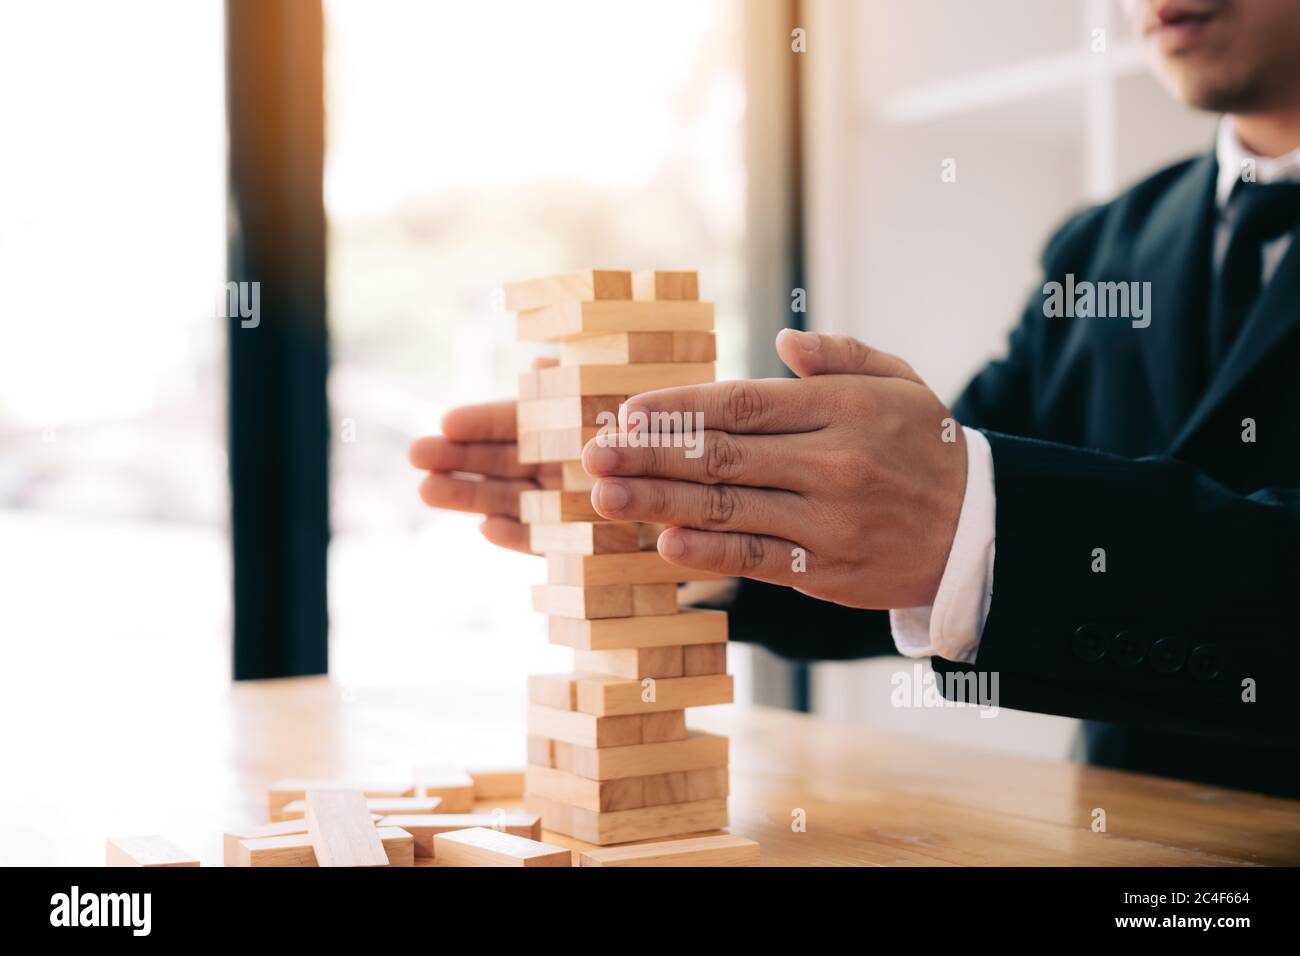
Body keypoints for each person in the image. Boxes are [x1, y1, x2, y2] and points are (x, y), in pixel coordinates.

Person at [409, 0, 1300, 797]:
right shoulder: (1102, 243)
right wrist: (686, 525)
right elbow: (936, 522)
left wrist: (967, 517)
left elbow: (980, 514)